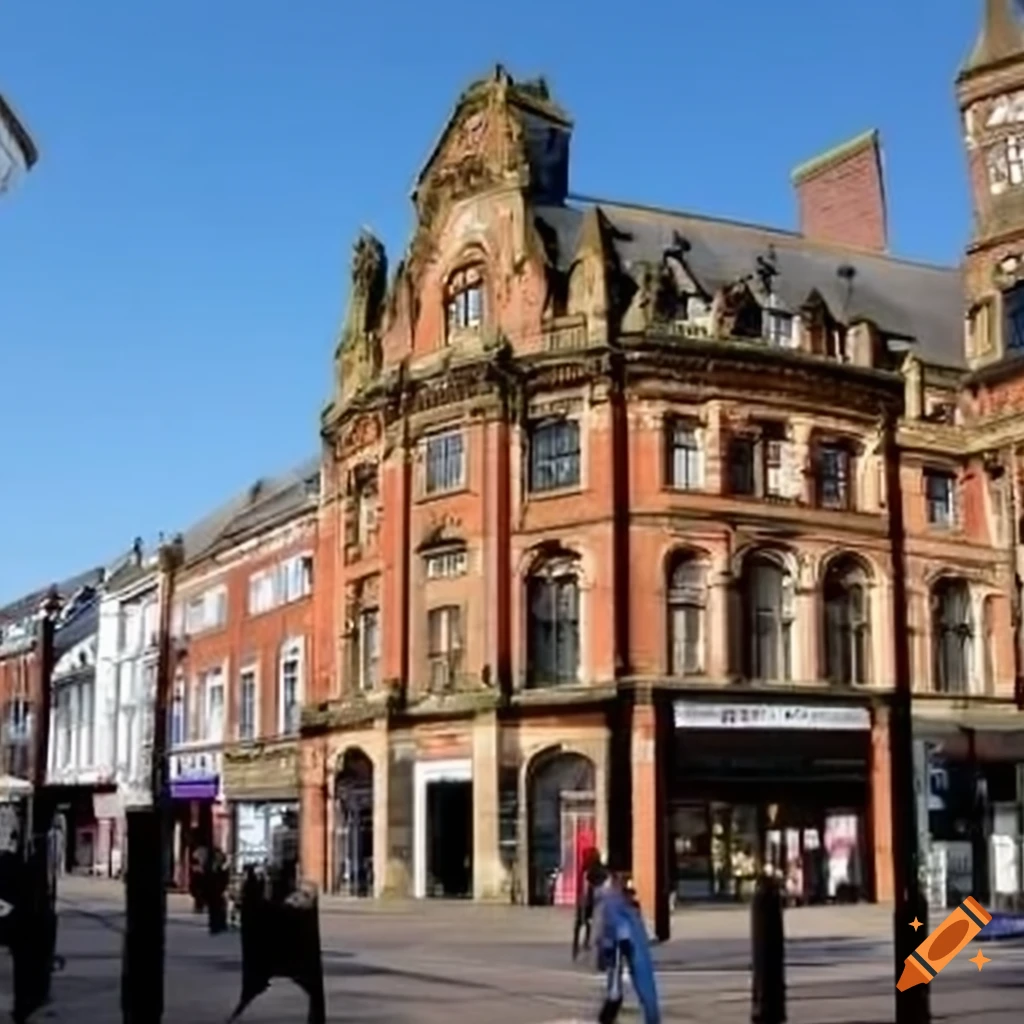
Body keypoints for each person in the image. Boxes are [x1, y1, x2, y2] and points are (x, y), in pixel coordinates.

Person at [594, 870, 661, 1024]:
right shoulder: (613, 899)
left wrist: (605, 950)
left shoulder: (608, 899)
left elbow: (610, 930)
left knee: (618, 988)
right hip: (628, 933)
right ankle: (651, 1019)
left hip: (623, 935)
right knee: (643, 984)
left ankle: (608, 1016)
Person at [572, 846, 607, 960]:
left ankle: (577, 949)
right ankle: (586, 946)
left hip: (587, 901)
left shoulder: (587, 869)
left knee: (580, 925)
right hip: (595, 901)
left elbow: (585, 887)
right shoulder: (600, 869)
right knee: (590, 925)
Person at [206, 848, 230, 934]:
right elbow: (208, 876)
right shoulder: (211, 865)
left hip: (220, 889)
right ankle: (213, 925)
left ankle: (220, 925)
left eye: (219, 856)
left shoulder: (223, 866)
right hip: (212, 890)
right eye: (216, 856)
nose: (218, 857)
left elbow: (225, 878)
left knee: (220, 908)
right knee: (213, 908)